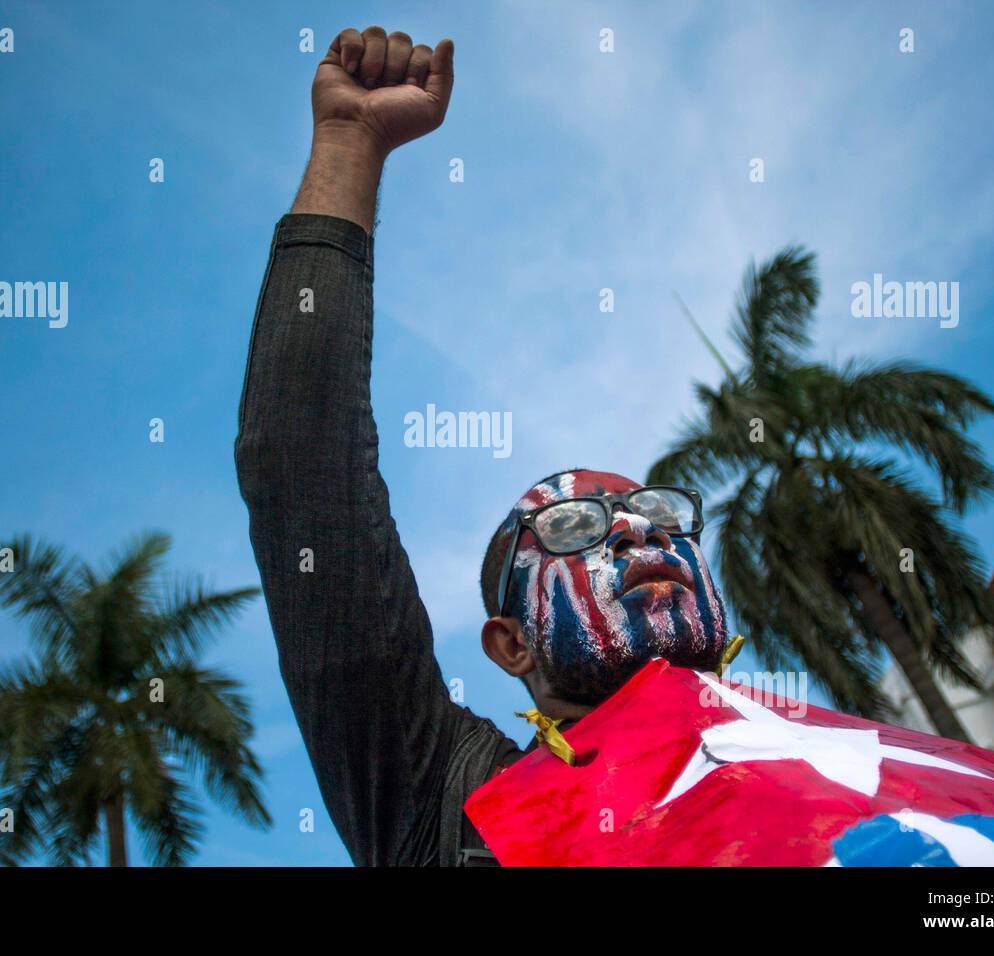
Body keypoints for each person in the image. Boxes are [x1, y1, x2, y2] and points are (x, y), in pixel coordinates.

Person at [234, 25, 732, 867]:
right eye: (574, 526)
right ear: (510, 646)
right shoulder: (459, 800)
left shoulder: (865, 769)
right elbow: (300, 462)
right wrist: (351, 142)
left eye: (654, 511)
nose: (635, 530)